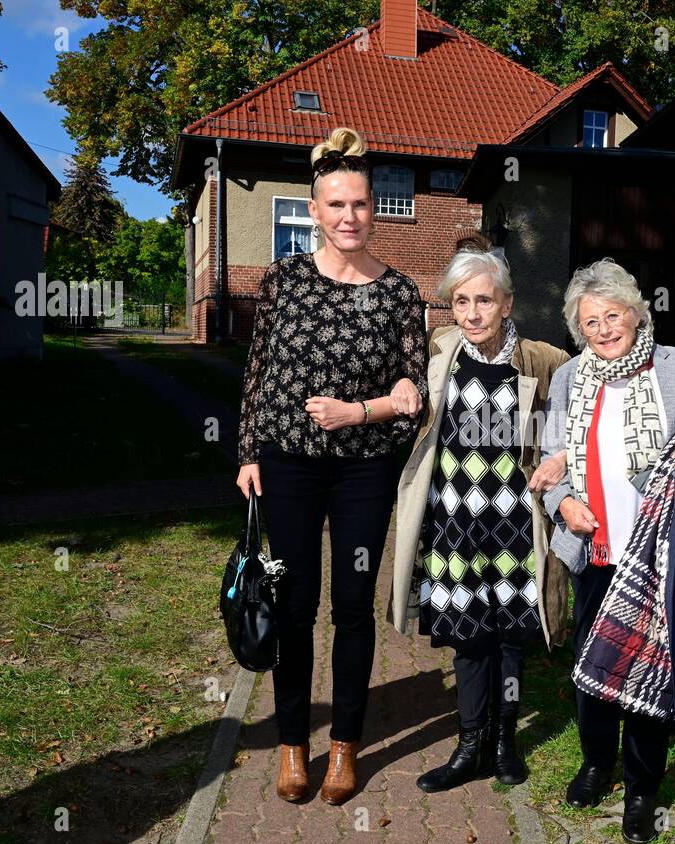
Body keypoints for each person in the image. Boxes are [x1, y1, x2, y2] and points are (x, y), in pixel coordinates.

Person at [235, 127, 426, 806]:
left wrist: (362, 410)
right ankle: (293, 744)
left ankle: (344, 744)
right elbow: (257, 372)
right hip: (286, 466)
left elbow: (414, 395)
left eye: (361, 204)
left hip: (363, 473)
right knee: (293, 605)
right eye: (336, 205)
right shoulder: (282, 280)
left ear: (374, 210)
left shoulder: (401, 293)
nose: (349, 216)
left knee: (351, 608)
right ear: (314, 210)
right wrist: (248, 453)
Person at [540, 258, 675, 844]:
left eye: (612, 315)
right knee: (594, 665)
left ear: (637, 312)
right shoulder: (571, 377)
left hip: (659, 551)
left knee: (650, 668)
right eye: (589, 321)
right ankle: (597, 761)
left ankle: (643, 788)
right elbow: (552, 462)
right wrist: (564, 504)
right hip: (596, 546)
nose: (602, 329)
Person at [389, 238, 572, 792]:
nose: (472, 313)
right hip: (456, 518)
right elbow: (396, 389)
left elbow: (582, 406)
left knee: (511, 635)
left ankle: (504, 742)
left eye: (484, 301)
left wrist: (562, 455)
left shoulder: (543, 359)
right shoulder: (437, 352)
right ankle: (469, 745)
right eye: (460, 301)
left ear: (507, 303)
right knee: (470, 638)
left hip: (516, 520)